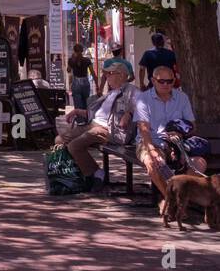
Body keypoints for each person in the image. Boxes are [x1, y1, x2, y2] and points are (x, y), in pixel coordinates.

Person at [58, 58, 138, 191]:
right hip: (93, 124)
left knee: (74, 146)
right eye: (106, 74)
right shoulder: (111, 93)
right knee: (59, 140)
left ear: (122, 75)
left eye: (110, 74)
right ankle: (80, 172)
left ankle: (95, 175)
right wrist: (77, 111)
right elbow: (94, 113)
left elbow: (140, 105)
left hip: (109, 130)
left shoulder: (132, 91)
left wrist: (129, 113)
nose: (106, 77)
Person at [135, 65, 205, 207]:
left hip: (177, 143)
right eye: (162, 81)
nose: (166, 85)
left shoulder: (182, 97)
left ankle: (177, 198)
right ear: (153, 81)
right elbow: (143, 129)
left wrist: (180, 132)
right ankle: (171, 200)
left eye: (170, 81)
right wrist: (152, 150)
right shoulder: (143, 99)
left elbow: (192, 125)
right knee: (153, 163)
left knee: (200, 163)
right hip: (151, 141)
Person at [67, 43, 96, 115]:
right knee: (86, 101)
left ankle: (80, 120)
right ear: (82, 51)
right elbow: (92, 72)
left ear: (74, 51)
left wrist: (72, 60)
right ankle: (86, 117)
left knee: (77, 102)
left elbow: (68, 70)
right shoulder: (87, 60)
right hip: (85, 81)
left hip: (76, 81)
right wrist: (97, 85)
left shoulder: (71, 60)